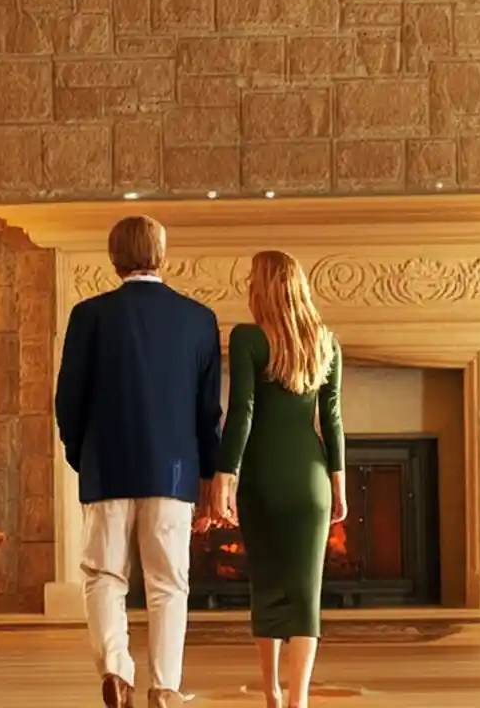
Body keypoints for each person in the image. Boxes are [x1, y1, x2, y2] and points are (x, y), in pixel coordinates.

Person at [55, 215, 222, 708]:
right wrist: (208, 474)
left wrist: (79, 453)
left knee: (105, 575)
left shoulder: (89, 316)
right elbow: (207, 410)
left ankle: (116, 671)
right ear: (161, 255)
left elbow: (68, 400)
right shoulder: (199, 319)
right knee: (168, 582)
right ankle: (165, 687)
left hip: (105, 465)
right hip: (172, 471)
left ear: (114, 258)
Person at [211, 250, 346, 708]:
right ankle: (298, 700)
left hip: (264, 478)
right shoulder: (326, 342)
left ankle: (270, 692)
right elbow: (332, 422)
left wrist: (224, 476)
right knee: (307, 592)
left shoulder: (248, 338)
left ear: (264, 286)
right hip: (312, 482)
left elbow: (242, 413)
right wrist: (340, 486)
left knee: (266, 583)